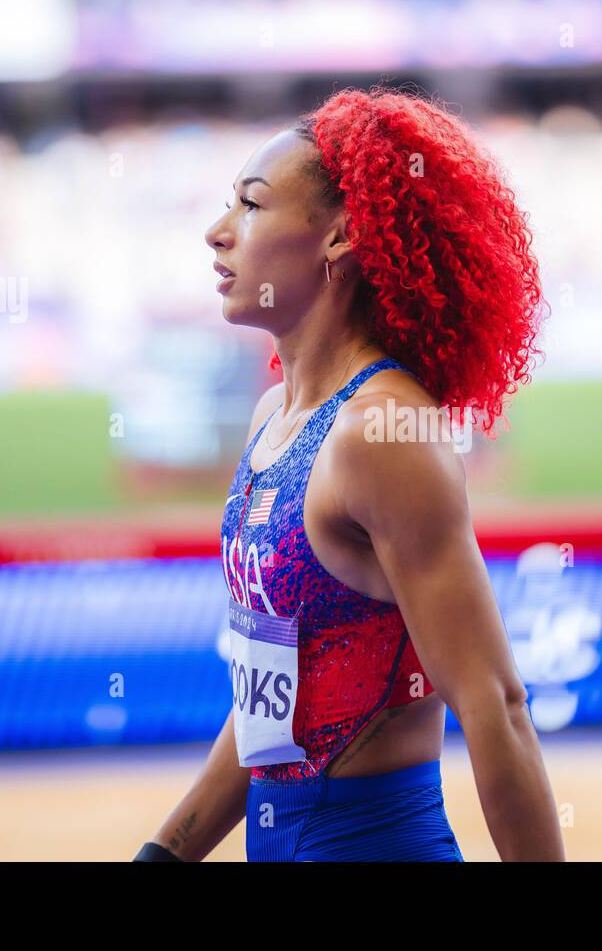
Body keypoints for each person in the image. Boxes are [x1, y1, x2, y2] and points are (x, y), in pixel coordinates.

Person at [138, 86, 563, 861]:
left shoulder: (381, 434)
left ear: (340, 237)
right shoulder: (273, 417)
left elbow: (494, 706)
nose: (217, 232)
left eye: (252, 206)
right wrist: (164, 853)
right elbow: (277, 707)